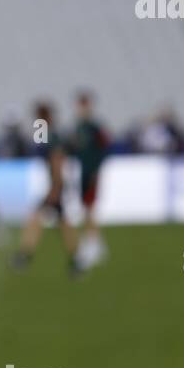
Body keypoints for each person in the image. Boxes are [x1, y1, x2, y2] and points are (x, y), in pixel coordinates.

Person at [12, 101, 82, 276]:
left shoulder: (52, 137)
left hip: (55, 186)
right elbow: (40, 146)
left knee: (41, 219)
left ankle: (25, 255)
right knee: (61, 223)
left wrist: (55, 190)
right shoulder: (48, 134)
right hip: (55, 185)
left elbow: (56, 161)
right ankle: (76, 259)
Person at [71, 91, 109, 268]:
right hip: (83, 171)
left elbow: (104, 149)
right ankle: (93, 240)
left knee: (89, 206)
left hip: (91, 171)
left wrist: (96, 169)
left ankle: (94, 242)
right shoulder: (79, 127)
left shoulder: (94, 127)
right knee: (86, 206)